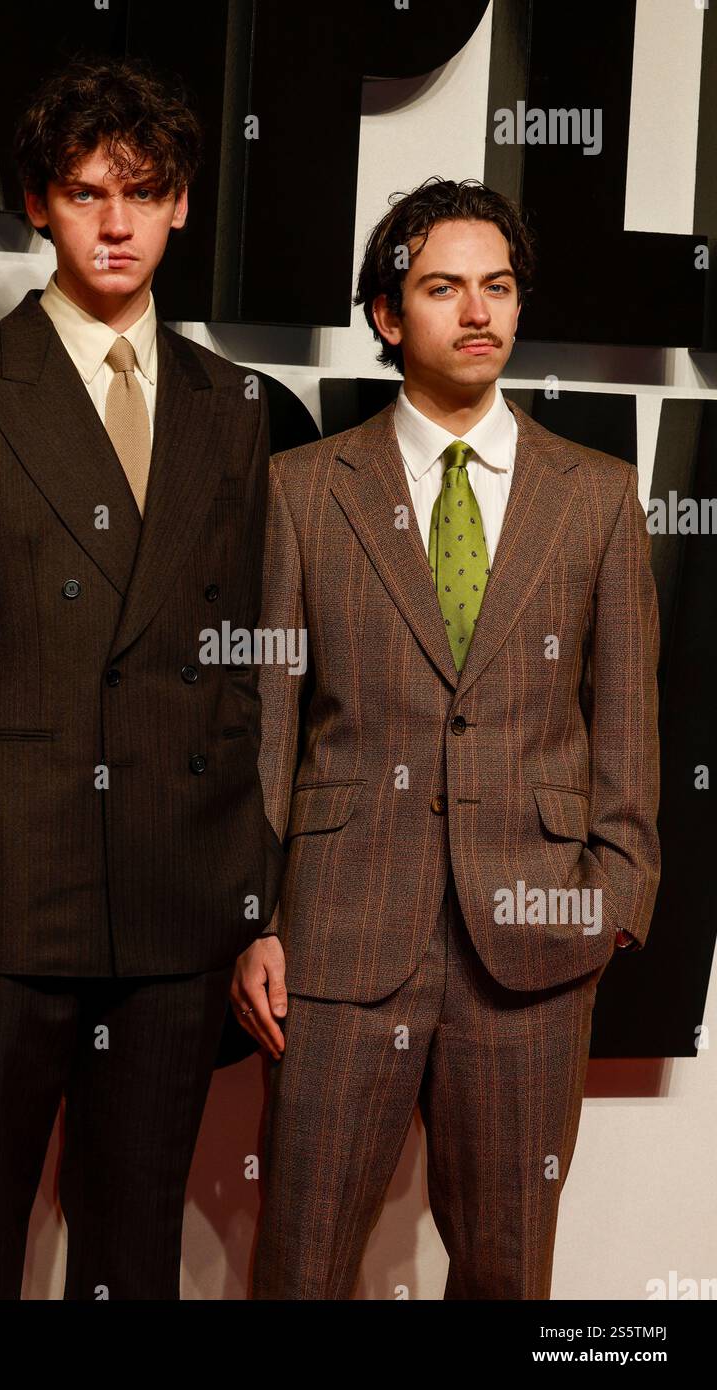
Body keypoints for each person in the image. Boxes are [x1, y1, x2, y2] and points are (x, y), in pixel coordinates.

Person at [0, 54, 282, 1300]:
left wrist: (254, 901)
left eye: (143, 193)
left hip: (176, 899)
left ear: (182, 207)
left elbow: (246, 674)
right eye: (89, 191)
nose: (116, 221)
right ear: (40, 202)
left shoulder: (237, 406)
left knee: (133, 1254)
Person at [232, 176, 660, 1299]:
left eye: (498, 287)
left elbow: (625, 723)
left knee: (510, 1277)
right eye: (442, 287)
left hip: (534, 947)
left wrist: (614, 898)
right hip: (334, 942)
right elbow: (267, 720)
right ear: (387, 314)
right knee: (299, 1267)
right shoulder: (301, 491)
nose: (477, 312)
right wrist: (258, 918)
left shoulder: (600, 498)